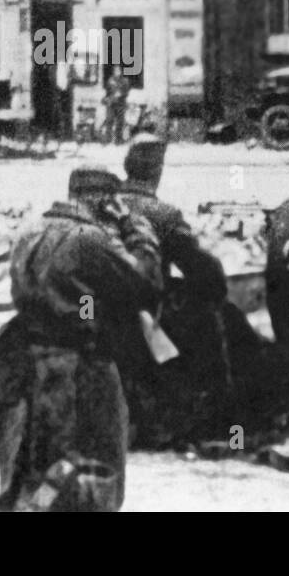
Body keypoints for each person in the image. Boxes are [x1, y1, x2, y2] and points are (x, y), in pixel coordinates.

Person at [0, 167, 161, 512]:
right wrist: (134, 228)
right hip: (79, 366)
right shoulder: (88, 238)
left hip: (22, 360)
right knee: (96, 467)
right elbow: (145, 282)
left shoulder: (29, 230)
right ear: (106, 201)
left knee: (35, 469)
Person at [118, 134, 266, 445]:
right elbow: (203, 271)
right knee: (221, 319)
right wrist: (211, 290)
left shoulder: (107, 206)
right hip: (144, 313)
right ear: (157, 172)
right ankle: (225, 421)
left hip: (96, 303)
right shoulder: (162, 215)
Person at [102, 70, 131, 145]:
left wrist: (121, 94)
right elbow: (107, 92)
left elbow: (126, 92)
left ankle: (118, 139)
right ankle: (108, 139)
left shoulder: (125, 81)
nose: (117, 72)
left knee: (120, 123)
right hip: (111, 104)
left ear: (121, 72)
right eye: (116, 71)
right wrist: (106, 99)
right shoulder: (110, 80)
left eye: (118, 71)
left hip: (120, 104)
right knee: (109, 121)